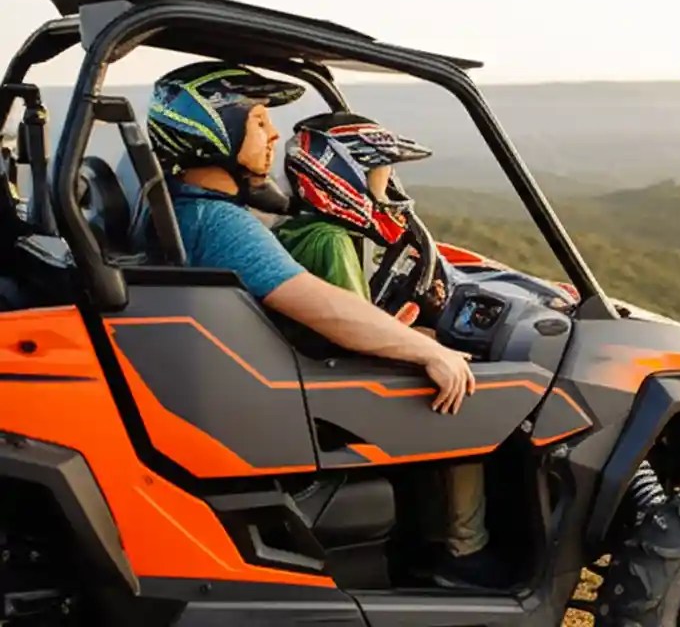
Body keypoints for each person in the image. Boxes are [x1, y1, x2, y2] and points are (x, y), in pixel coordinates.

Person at [144, 61, 492, 579]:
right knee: (478, 395)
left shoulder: (175, 207)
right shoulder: (218, 221)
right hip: (285, 409)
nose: (273, 134)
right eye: (259, 121)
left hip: (236, 392)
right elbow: (322, 306)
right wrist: (429, 349)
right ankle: (464, 558)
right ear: (215, 128)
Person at [274, 111, 501, 587]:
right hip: (336, 391)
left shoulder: (294, 230)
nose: (390, 186)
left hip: (309, 378)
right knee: (470, 401)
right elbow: (353, 332)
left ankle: (431, 540)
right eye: (381, 173)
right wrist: (423, 346)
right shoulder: (330, 241)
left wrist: (410, 331)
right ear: (343, 175)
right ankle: (464, 553)